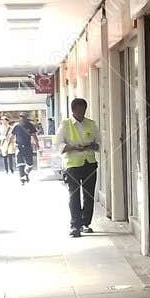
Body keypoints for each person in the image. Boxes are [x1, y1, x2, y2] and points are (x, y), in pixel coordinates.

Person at [53, 97, 100, 234]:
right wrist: (72, 147)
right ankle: (75, 225)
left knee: (88, 195)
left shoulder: (91, 124)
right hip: (72, 165)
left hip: (89, 164)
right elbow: (58, 144)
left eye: (83, 110)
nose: (81, 113)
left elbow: (98, 143)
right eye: (78, 111)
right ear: (73, 110)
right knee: (73, 195)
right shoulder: (65, 124)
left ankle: (86, 223)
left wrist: (93, 145)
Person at [11, 112, 38, 184]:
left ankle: (26, 173)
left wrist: (37, 144)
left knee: (30, 164)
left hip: (28, 146)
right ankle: (22, 179)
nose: (22, 118)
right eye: (21, 116)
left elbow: (34, 135)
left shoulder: (30, 126)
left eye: (23, 116)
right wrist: (9, 145)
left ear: (26, 118)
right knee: (20, 163)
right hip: (18, 146)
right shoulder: (16, 126)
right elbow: (12, 136)